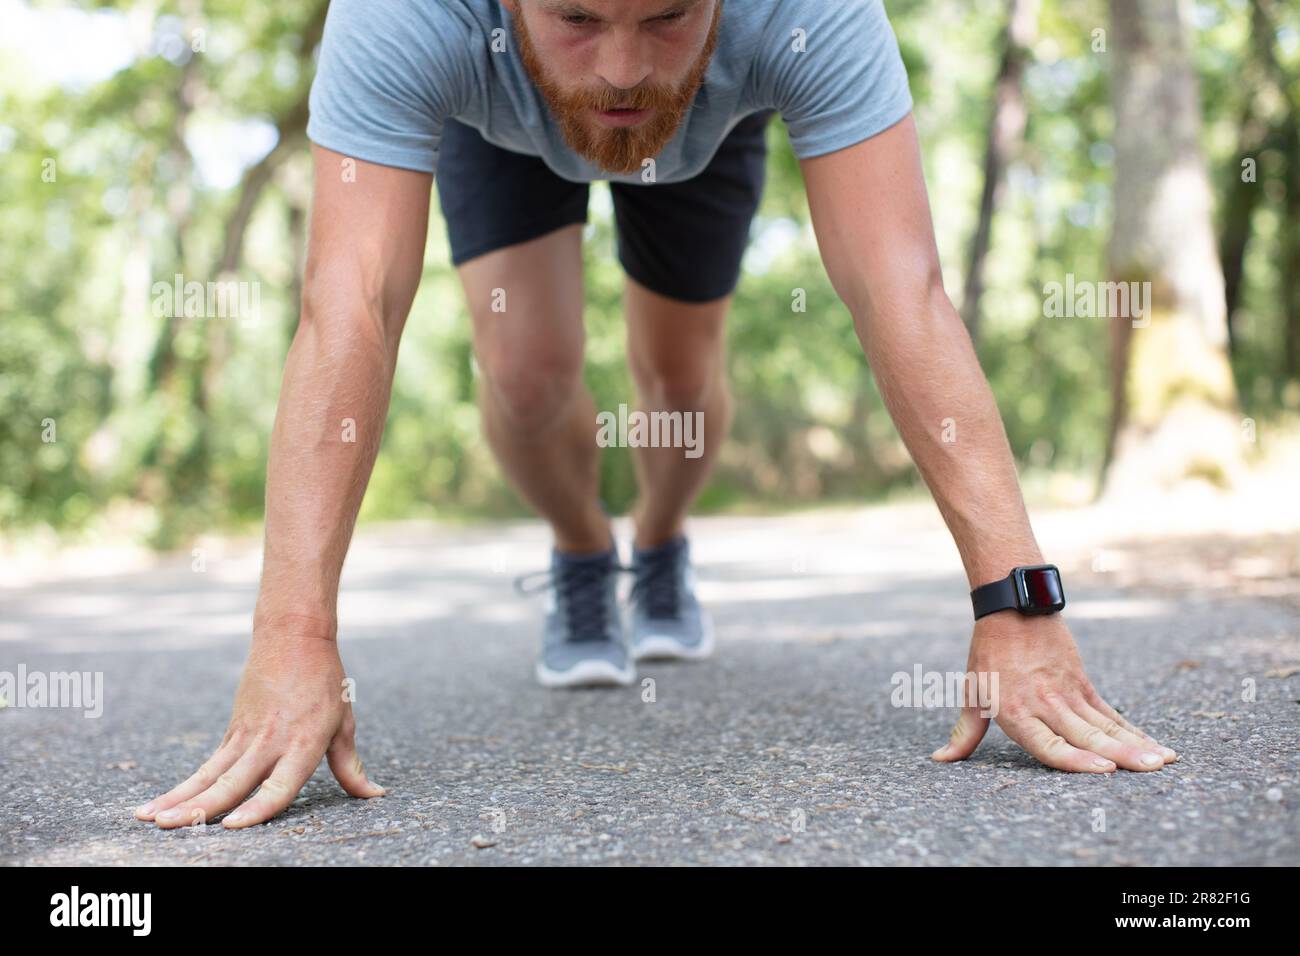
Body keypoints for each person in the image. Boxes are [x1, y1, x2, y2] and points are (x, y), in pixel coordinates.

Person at [135, 0, 1177, 832]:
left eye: (666, 14)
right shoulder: (408, 15)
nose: (622, 66)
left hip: (706, 124)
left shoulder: (803, 14)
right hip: (501, 123)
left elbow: (900, 289)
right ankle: (585, 556)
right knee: (528, 373)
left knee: (675, 391)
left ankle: (664, 545)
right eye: (578, 17)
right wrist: (294, 631)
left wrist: (1017, 603)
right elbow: (348, 307)